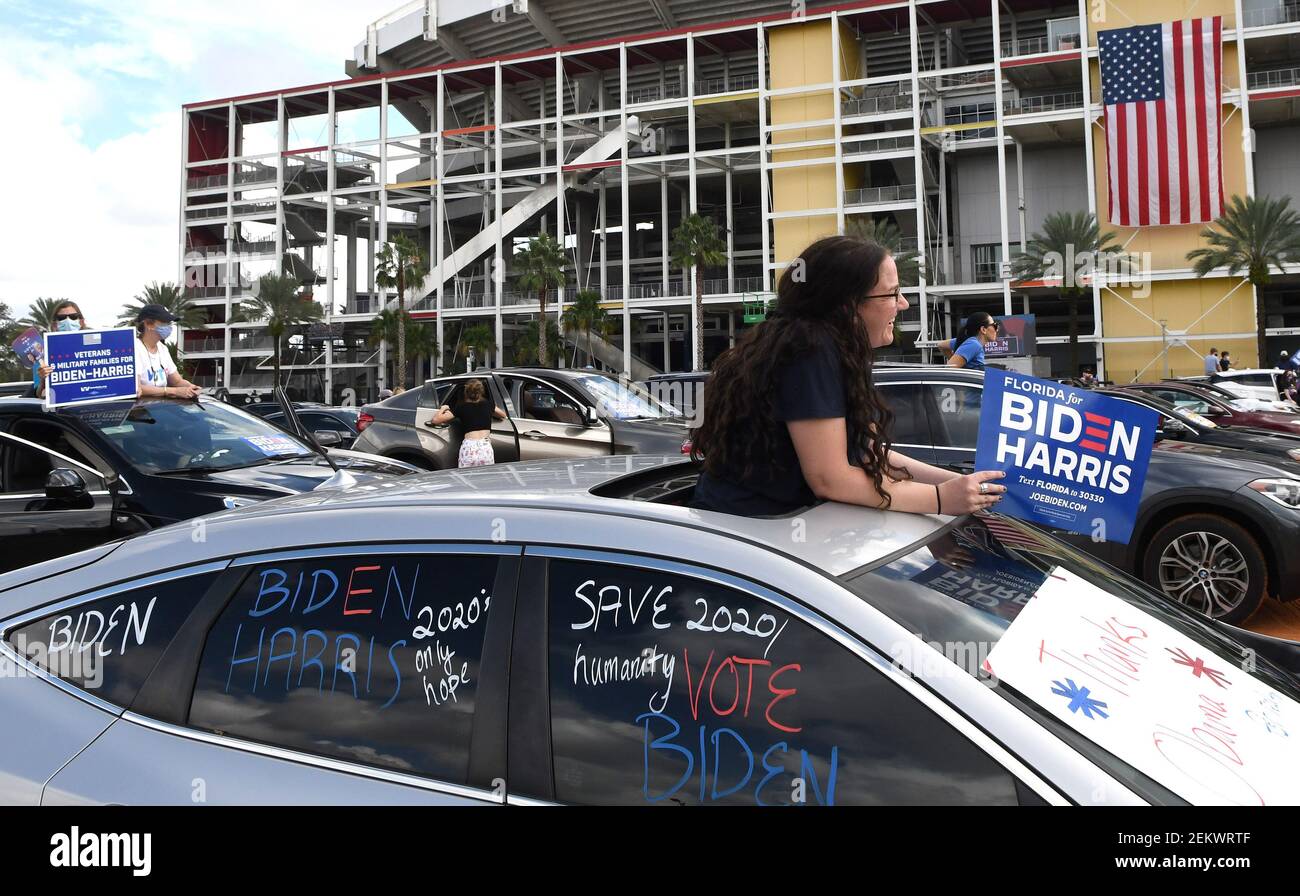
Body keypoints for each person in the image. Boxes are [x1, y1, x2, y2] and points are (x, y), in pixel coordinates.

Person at [690, 235, 1005, 518]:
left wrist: (954, 484)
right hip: (746, 546)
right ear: (848, 306)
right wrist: (939, 499)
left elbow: (870, 451)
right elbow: (830, 478)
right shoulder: (810, 350)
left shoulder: (828, 349)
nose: (903, 304)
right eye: (892, 294)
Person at [428, 378, 506, 467]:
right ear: (481, 392)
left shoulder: (461, 407)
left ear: (466, 392)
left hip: (469, 447)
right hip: (485, 448)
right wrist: (491, 411)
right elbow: (503, 415)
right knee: (485, 478)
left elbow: (435, 420)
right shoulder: (489, 404)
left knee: (465, 478)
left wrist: (443, 408)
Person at [134, 303, 200, 399]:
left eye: (170, 323)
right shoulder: (135, 348)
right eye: (164, 322)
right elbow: (136, 387)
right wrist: (173, 391)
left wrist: (191, 387)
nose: (169, 327)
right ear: (149, 324)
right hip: (141, 410)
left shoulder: (163, 349)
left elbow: (177, 381)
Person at [32, 300, 91, 399]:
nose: (68, 321)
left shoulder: (95, 348)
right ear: (55, 324)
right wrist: (43, 379)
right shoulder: (43, 354)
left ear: (81, 321)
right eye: (61, 318)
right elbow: (40, 394)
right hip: (62, 411)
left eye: (73, 317)